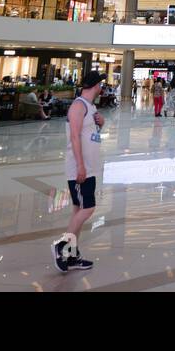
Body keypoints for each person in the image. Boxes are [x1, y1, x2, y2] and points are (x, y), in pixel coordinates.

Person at [52, 72, 106, 273]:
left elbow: (89, 134)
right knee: (88, 208)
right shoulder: (78, 106)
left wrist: (102, 122)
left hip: (89, 167)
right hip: (80, 169)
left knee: (78, 210)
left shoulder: (90, 107)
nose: (102, 87)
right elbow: (74, 137)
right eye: (101, 84)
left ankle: (72, 255)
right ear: (96, 86)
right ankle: (62, 246)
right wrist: (80, 166)